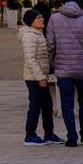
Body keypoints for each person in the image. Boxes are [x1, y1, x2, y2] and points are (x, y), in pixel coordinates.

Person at [46, 0, 83, 147]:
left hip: (63, 70)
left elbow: (50, 46)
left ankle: (71, 136)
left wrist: (51, 64)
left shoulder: (54, 19)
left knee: (67, 104)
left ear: (62, 0)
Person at [19, 8, 62, 145]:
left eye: (42, 17)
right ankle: (30, 135)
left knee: (47, 105)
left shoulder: (37, 33)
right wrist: (40, 77)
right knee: (35, 106)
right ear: (32, 22)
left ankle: (49, 134)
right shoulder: (29, 36)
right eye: (39, 18)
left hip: (41, 76)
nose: (42, 19)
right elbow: (30, 59)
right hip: (34, 78)